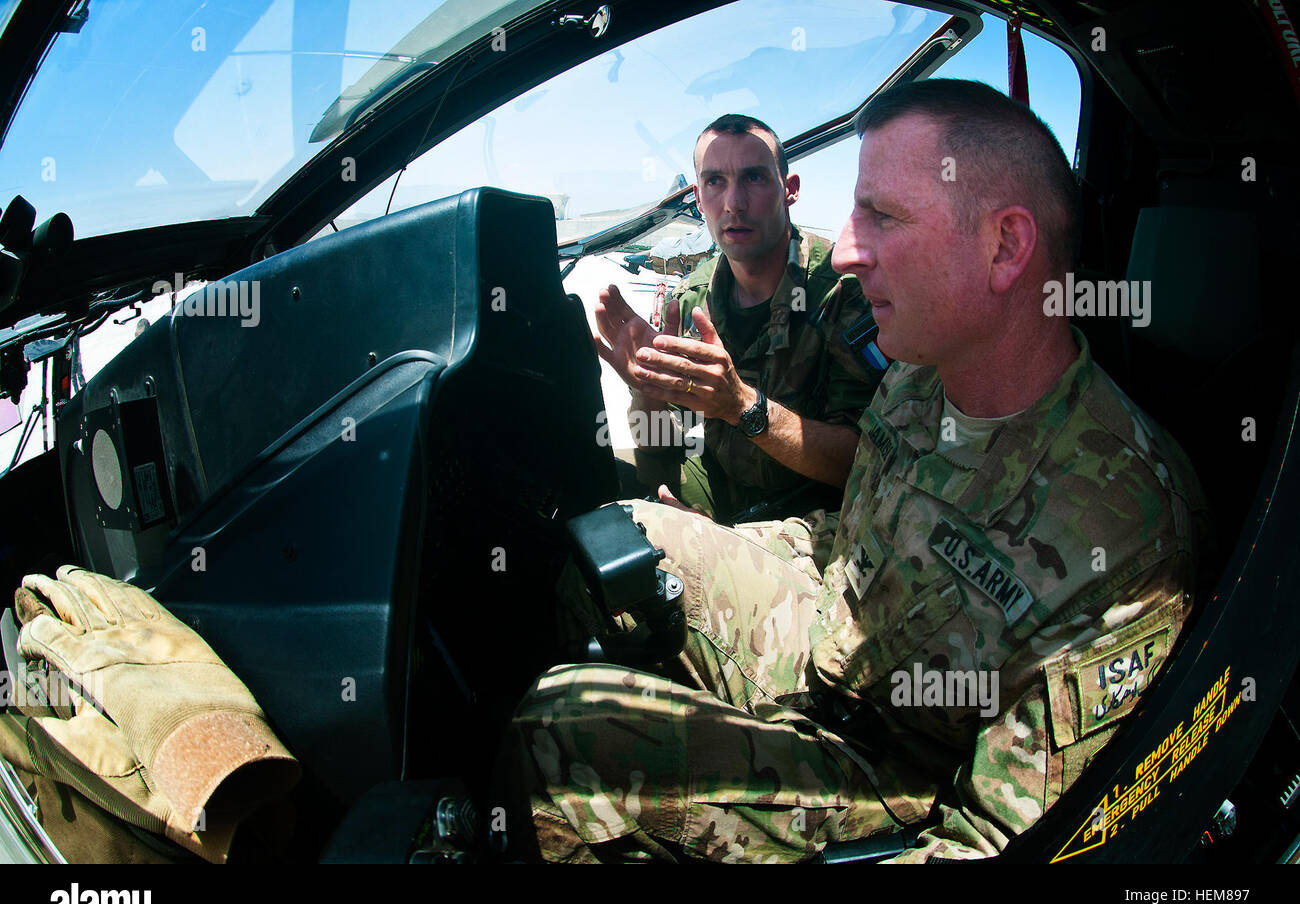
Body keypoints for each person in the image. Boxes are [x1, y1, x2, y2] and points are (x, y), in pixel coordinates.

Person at [503, 80, 1211, 863]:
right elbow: (855, 527)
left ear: (1006, 247)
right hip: (832, 619)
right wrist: (732, 537)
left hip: (895, 756)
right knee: (614, 551)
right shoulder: (920, 372)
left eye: (883, 215)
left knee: (560, 733)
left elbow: (1002, 842)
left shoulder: (1124, 539)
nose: (843, 247)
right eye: (852, 212)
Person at [594, 114, 887, 524]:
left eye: (754, 178)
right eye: (715, 181)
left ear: (789, 190)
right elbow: (661, 449)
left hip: (821, 520)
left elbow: (870, 463)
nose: (734, 203)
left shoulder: (844, 293)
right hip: (724, 491)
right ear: (698, 197)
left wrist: (741, 405)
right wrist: (648, 394)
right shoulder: (692, 299)